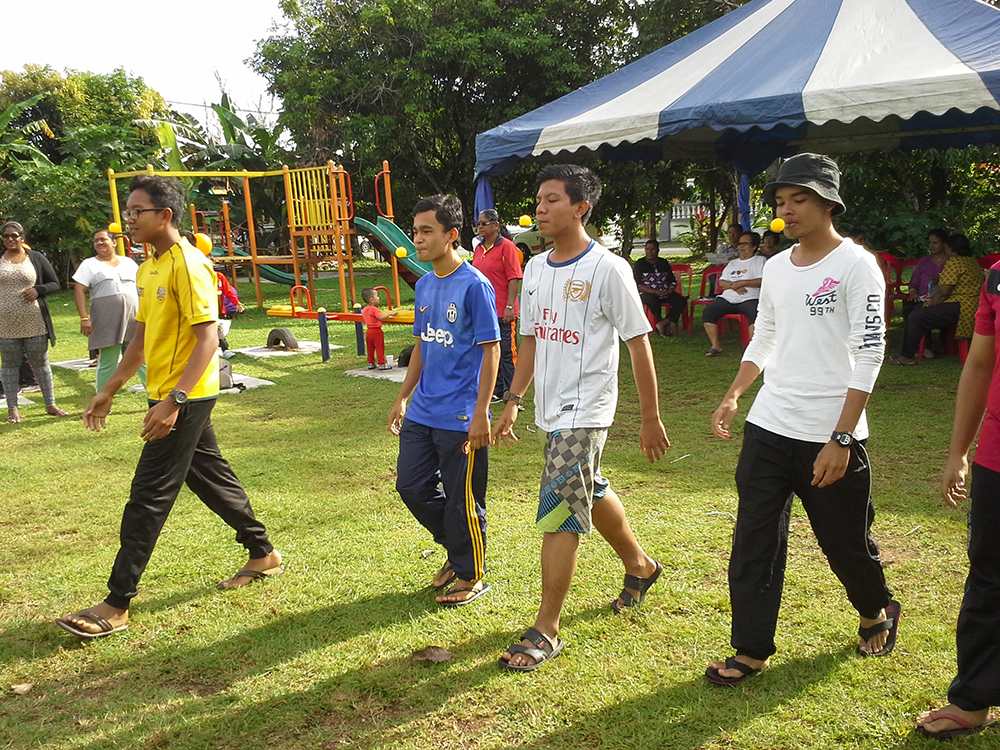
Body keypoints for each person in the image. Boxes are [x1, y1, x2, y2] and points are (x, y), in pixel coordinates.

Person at [56, 175, 281, 640]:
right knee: (211, 477)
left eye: (139, 211)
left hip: (189, 394)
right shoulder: (148, 266)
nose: (129, 220)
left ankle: (117, 602)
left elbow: (207, 339)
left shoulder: (189, 265)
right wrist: (111, 387)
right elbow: (141, 337)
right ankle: (263, 554)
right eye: (129, 212)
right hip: (167, 393)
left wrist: (174, 401)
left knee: (149, 494)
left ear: (166, 216)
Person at [707, 153, 899, 686]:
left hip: (831, 433)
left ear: (828, 203)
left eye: (799, 200)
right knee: (755, 539)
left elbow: (870, 351)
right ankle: (750, 648)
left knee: (844, 541)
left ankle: (875, 606)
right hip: (770, 424)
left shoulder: (855, 265)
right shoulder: (775, 267)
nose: (786, 211)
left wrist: (841, 436)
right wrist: (736, 393)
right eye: (780, 202)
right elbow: (765, 335)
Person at [492, 164, 669, 672]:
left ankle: (546, 627)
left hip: (587, 408)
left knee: (558, 505)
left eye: (551, 200)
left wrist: (650, 416)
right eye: (538, 200)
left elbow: (638, 343)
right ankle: (640, 565)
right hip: (549, 406)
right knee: (585, 487)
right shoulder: (537, 269)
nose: (540, 209)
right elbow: (529, 339)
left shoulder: (608, 269)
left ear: (580, 208)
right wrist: (515, 400)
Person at [388, 194, 500, 606]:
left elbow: (492, 350)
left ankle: (472, 575)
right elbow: (421, 346)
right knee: (411, 487)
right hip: (423, 411)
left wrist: (481, 412)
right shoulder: (424, 284)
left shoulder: (475, 286)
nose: (418, 239)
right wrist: (403, 397)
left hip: (460, 416)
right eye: (416, 231)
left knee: (463, 498)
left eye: (426, 231)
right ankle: (456, 549)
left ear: (452, 235)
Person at [915, 257, 1000, 740]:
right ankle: (972, 701)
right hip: (996, 454)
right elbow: (981, 364)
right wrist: (958, 453)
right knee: (989, 575)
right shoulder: (996, 276)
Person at [0, 221, 68, 423]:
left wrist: (39, 290)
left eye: (14, 235)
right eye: (6, 236)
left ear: (22, 237)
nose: (10, 239)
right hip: (5, 323)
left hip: (34, 320)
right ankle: (13, 409)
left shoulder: (36, 258)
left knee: (41, 364)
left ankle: (51, 404)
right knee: (9, 366)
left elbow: (54, 283)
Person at [73, 228, 146, 393]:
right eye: (96, 241)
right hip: (106, 317)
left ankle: (155, 397)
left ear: (114, 242)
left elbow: (142, 287)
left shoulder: (128, 262)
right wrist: (84, 318)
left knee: (141, 357)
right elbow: (79, 290)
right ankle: (102, 398)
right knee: (108, 361)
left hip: (134, 317)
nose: (99, 243)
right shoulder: (89, 265)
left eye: (103, 239)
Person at [893, 234, 984, 366]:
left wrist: (930, 306)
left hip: (959, 306)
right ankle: (924, 348)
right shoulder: (972, 262)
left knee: (915, 316)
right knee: (918, 311)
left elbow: (944, 293)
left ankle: (907, 356)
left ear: (951, 249)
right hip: (973, 306)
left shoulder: (954, 262)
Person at [472, 209, 523, 401]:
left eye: (484, 223)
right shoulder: (478, 249)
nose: (480, 227)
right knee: (491, 351)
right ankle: (497, 389)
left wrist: (510, 306)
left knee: (507, 352)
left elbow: (514, 278)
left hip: (503, 309)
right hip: (484, 311)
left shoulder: (507, 247)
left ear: (496, 225)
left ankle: (512, 392)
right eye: (478, 223)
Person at [702, 231, 765, 357]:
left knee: (755, 315)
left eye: (745, 244)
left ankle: (753, 348)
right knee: (709, 312)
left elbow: (761, 281)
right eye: (740, 243)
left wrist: (742, 282)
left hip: (749, 298)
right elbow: (721, 282)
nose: (741, 246)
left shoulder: (759, 260)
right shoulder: (733, 263)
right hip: (728, 298)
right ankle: (715, 346)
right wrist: (734, 286)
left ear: (754, 246)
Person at [901, 229, 950, 357]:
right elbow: (913, 282)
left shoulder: (952, 262)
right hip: (922, 297)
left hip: (942, 298)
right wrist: (913, 292)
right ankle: (923, 346)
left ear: (944, 244)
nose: (932, 246)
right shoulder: (924, 261)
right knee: (908, 307)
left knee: (919, 311)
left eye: (935, 243)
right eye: (930, 243)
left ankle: (926, 346)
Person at [634, 238, 687, 337]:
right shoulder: (640, 264)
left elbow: (672, 280)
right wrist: (655, 292)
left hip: (665, 291)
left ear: (658, 250)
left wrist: (670, 289)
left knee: (681, 301)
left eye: (652, 249)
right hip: (648, 292)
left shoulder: (663, 263)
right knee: (652, 301)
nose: (649, 252)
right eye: (647, 249)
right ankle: (660, 322)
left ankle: (663, 323)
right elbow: (639, 285)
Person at [361, 287, 392, 370]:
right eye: (377, 296)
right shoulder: (374, 309)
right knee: (379, 347)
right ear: (372, 299)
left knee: (370, 348)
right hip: (377, 331)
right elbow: (380, 317)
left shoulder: (365, 309)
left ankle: (371, 363)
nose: (378, 298)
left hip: (369, 331)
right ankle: (381, 364)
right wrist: (390, 314)